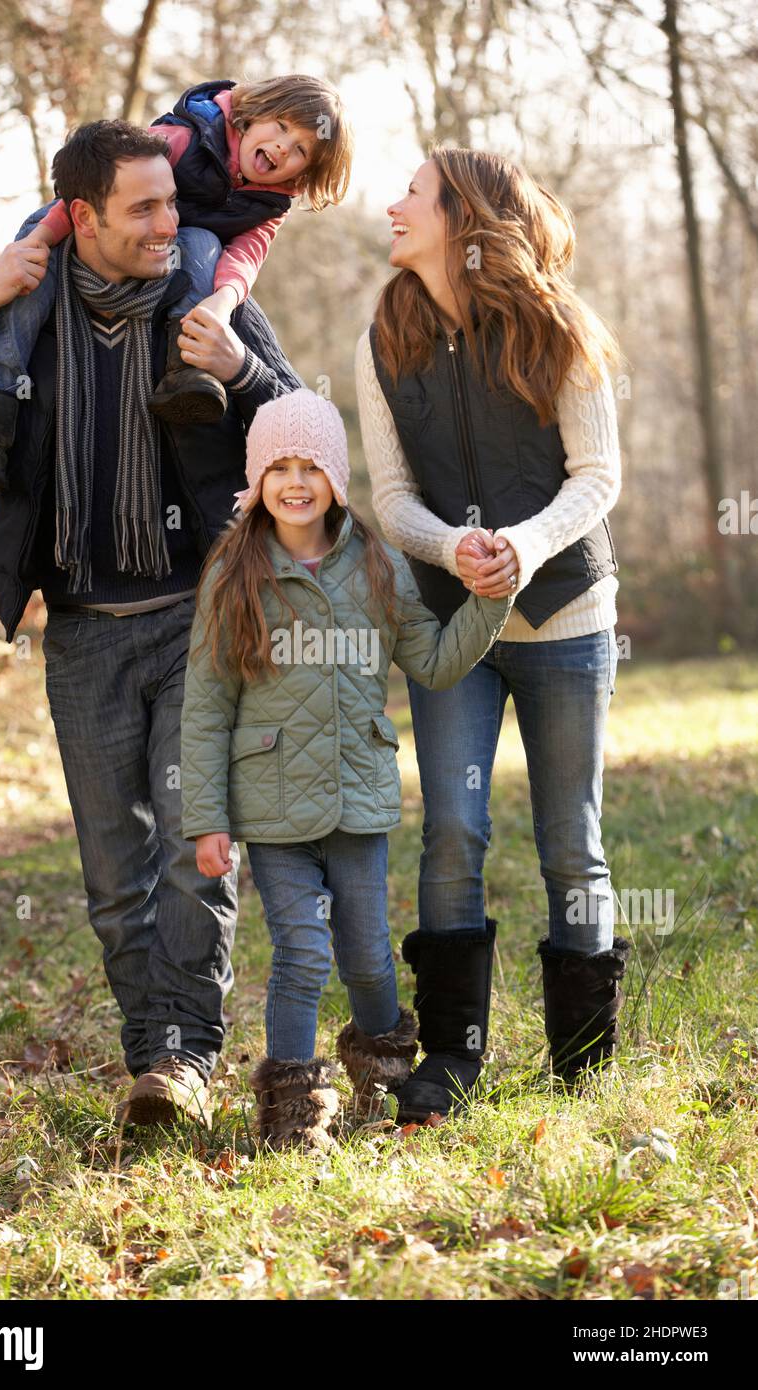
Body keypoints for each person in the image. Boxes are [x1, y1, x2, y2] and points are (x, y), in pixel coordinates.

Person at [0, 119, 305, 1127]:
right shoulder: (26, 312)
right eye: (145, 209)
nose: (172, 224)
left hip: (198, 621)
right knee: (113, 872)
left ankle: (185, 1061)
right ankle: (154, 1057)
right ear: (80, 218)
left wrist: (244, 371)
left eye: (174, 201)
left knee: (193, 844)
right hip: (79, 630)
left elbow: (305, 435)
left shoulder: (203, 299)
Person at [355, 147, 630, 1123]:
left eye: (411, 195)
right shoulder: (383, 334)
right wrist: (455, 549)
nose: (391, 206)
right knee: (452, 832)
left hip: (563, 615)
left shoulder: (556, 326)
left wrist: (516, 545)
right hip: (451, 629)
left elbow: (594, 474)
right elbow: (388, 498)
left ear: (462, 219)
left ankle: (582, 1060)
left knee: (570, 842)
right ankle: (451, 1059)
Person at [180, 388, 513, 1150]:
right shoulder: (233, 574)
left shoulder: (376, 565)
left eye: (311, 467)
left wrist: (489, 602)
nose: (295, 483)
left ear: (336, 477)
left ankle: (384, 1071)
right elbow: (204, 704)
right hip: (270, 809)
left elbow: (431, 662)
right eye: (278, 468)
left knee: (366, 955)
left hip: (358, 801)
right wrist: (207, 818)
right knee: (302, 953)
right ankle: (293, 1112)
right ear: (258, 479)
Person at [0, 75, 353, 494]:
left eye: (302, 149)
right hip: (82, 226)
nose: (283, 147)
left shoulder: (271, 203)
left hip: (173, 260)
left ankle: (186, 372)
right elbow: (99, 187)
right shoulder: (183, 137)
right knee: (34, 273)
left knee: (202, 241)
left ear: (307, 170)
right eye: (283, 126)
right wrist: (35, 245)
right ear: (253, 114)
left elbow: (247, 256)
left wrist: (223, 303)